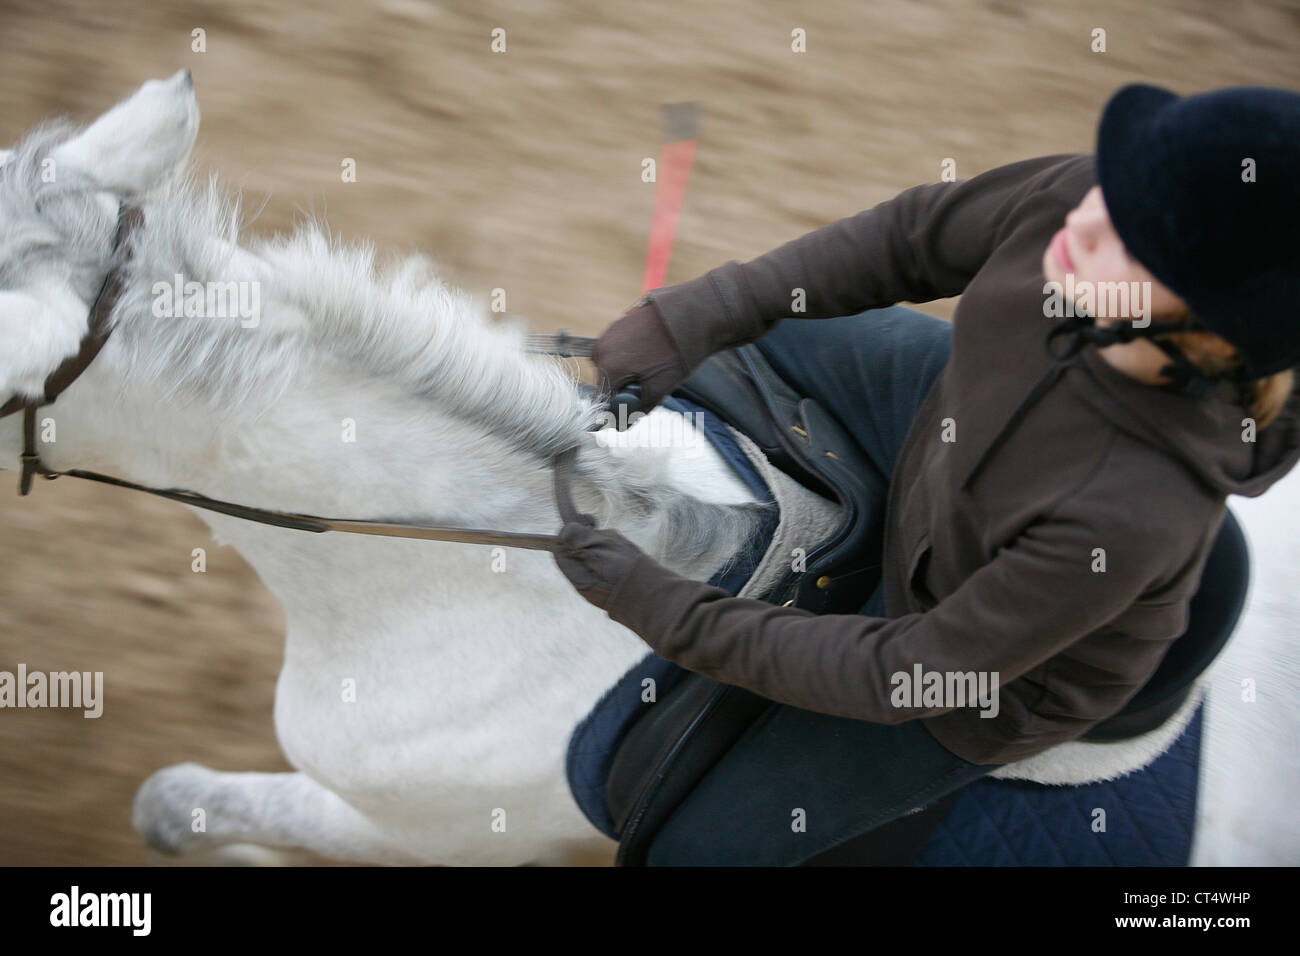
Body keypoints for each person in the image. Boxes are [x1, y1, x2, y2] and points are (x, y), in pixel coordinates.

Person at [552, 83, 1300, 865]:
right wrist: (695, 313)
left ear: (1201, 327)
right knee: (752, 332)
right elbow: (910, 238)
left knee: (693, 854)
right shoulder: (1081, 206)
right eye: (1116, 187)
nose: (1085, 214)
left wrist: (653, 603)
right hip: (943, 418)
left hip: (972, 686)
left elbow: (901, 675)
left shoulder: (1129, 513)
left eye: (1130, 236)